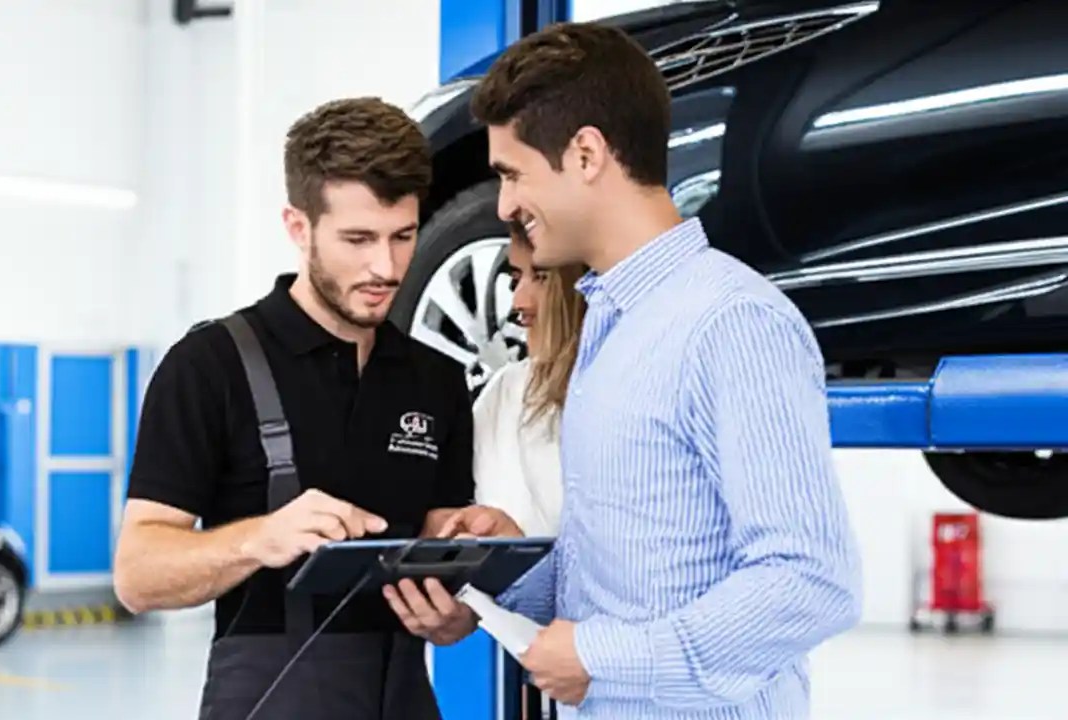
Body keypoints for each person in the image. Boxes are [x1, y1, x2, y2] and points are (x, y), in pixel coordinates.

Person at [386, 22, 862, 719]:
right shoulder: (609, 327)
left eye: (512, 174)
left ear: (585, 154)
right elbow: (626, 576)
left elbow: (812, 582)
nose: (506, 206)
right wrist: (505, 567)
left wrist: (598, 659)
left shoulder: (731, 323)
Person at [113, 96, 514, 720]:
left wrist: (453, 612)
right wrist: (260, 539)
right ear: (299, 228)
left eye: (402, 236)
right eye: (357, 239)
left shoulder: (435, 380)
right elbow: (137, 575)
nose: (385, 266)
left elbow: (447, 581)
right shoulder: (210, 366)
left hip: (405, 698)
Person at [471, 220, 587, 537]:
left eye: (541, 278)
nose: (519, 303)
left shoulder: (613, 391)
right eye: (516, 279)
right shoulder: (505, 390)